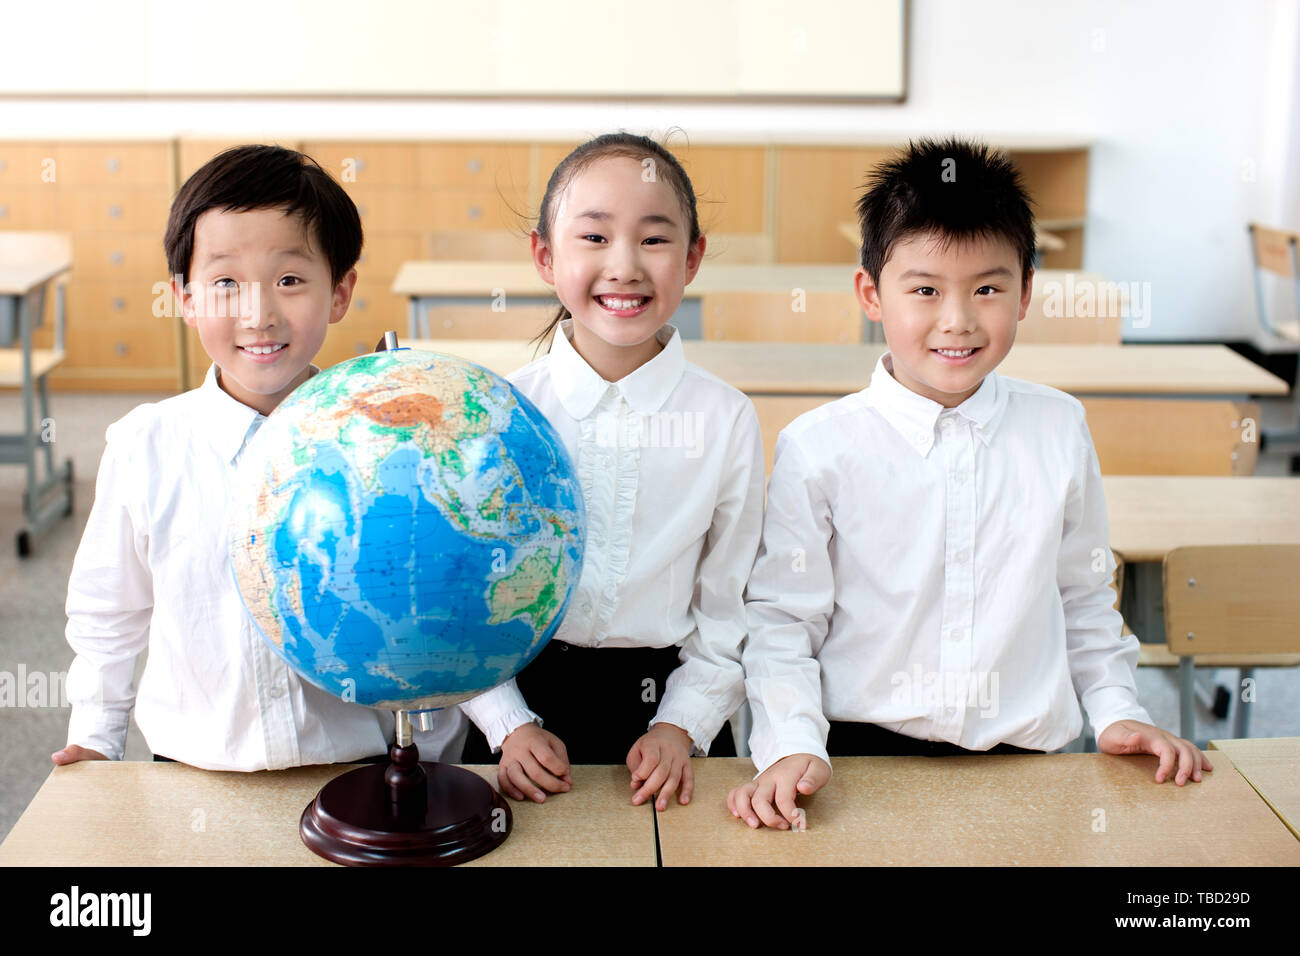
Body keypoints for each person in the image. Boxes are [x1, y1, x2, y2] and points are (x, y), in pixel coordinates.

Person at [729, 137, 1211, 830]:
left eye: (987, 288)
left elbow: (1084, 598)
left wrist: (1117, 711)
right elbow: (783, 623)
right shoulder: (818, 446)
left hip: (1032, 762)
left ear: (1025, 294)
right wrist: (791, 744)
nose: (956, 320)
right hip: (860, 763)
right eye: (924, 290)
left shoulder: (1059, 428)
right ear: (871, 294)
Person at [53, 144, 464, 771]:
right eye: (225, 283)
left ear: (340, 291)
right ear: (184, 298)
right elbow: (109, 612)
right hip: (193, 770)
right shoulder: (146, 446)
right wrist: (96, 734)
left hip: (358, 769)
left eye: (290, 280)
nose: (259, 313)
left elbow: (436, 603)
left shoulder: (385, 443)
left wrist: (438, 758)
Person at [458, 133, 765, 812]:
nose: (623, 267)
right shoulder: (502, 412)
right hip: (516, 706)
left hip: (666, 715)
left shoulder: (726, 420)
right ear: (545, 255)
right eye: (593, 238)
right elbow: (465, 593)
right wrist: (508, 724)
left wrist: (683, 723)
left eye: (654, 240)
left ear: (693, 257)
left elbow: (729, 607)